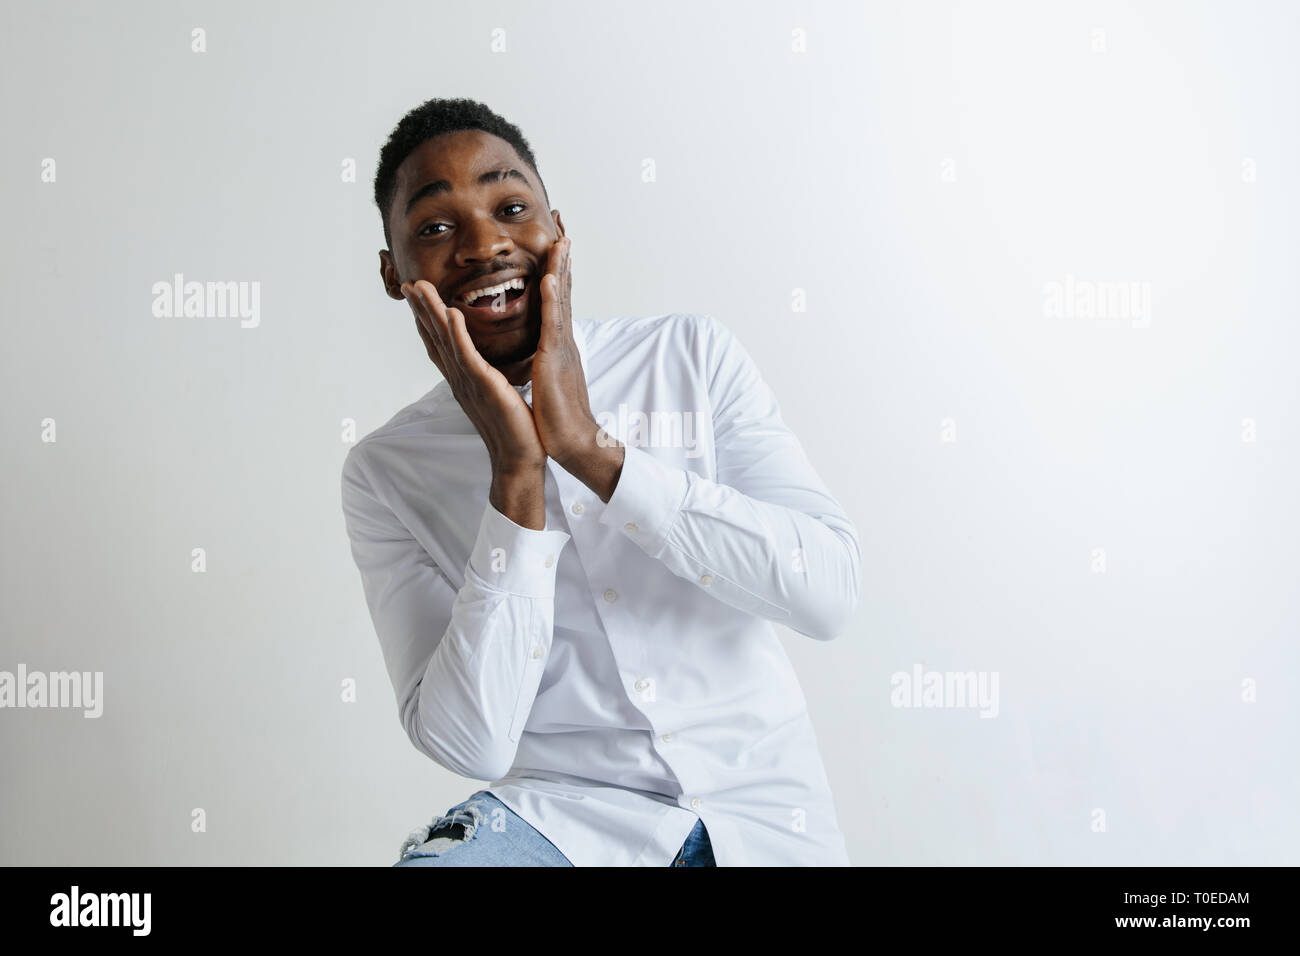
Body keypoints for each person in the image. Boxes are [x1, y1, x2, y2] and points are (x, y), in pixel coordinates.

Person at [341, 97, 861, 866]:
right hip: (564, 821)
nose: (485, 244)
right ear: (395, 273)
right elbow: (469, 740)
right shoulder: (386, 472)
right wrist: (515, 477)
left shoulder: (689, 355)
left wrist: (593, 454)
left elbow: (828, 594)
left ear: (557, 229)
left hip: (764, 815)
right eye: (436, 228)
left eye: (511, 206)